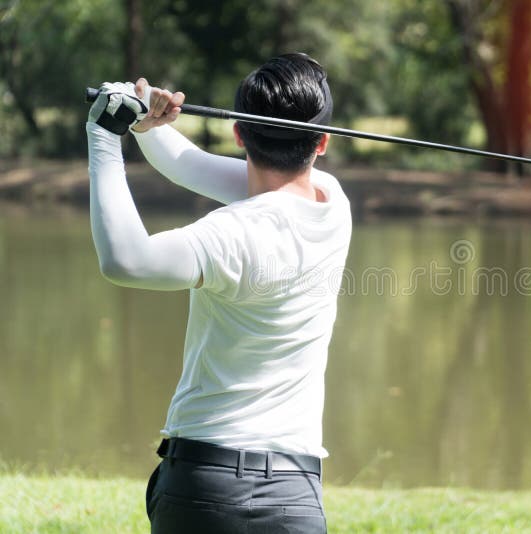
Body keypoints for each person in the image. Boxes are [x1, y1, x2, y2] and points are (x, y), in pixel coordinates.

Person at [86, 53, 351, 533]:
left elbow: (126, 259)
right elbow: (193, 167)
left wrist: (107, 135)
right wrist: (147, 125)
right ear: (324, 142)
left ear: (239, 134)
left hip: (204, 488)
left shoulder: (231, 233)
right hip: (294, 494)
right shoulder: (332, 203)